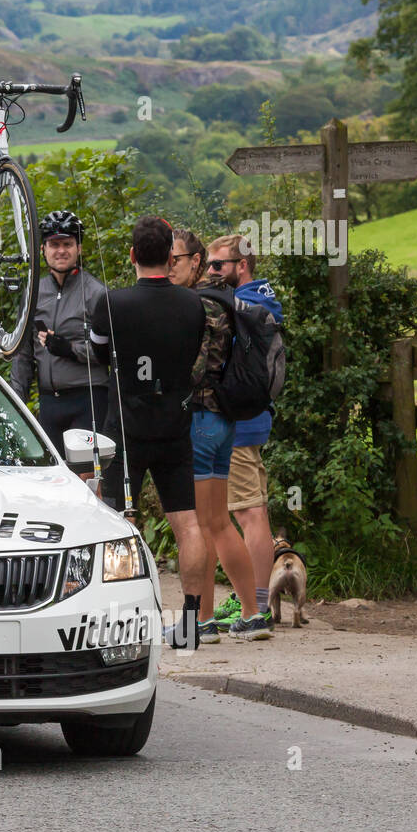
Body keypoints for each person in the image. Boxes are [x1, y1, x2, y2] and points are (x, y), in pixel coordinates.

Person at [88, 215, 215, 647]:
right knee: (187, 523)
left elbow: (98, 355)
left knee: (114, 522)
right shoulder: (191, 304)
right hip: (174, 425)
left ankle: (119, 618)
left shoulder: (111, 302)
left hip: (124, 426)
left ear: (132, 256)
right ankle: (192, 622)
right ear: (169, 256)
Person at [185, 230, 267, 640]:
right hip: (226, 421)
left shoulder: (200, 303)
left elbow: (197, 368)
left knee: (201, 526)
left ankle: (200, 623)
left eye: (176, 260)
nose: (170, 268)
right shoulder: (231, 301)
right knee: (219, 523)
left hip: (201, 417)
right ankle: (253, 614)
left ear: (193, 262)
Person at [202, 233, 285, 632]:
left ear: (242, 265)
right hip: (252, 418)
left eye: (218, 265)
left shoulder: (248, 303)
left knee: (249, 512)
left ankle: (258, 606)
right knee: (251, 510)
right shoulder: (257, 298)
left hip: (241, 421)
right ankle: (249, 597)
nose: (210, 272)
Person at [11, 210, 109, 449]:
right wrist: (16, 402)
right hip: (49, 402)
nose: (61, 250)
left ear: (79, 248)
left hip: (88, 398)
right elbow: (23, 353)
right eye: (54, 244)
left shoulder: (96, 293)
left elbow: (108, 352)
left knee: (87, 475)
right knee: (54, 478)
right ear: (43, 249)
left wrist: (69, 349)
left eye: (68, 243)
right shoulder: (34, 292)